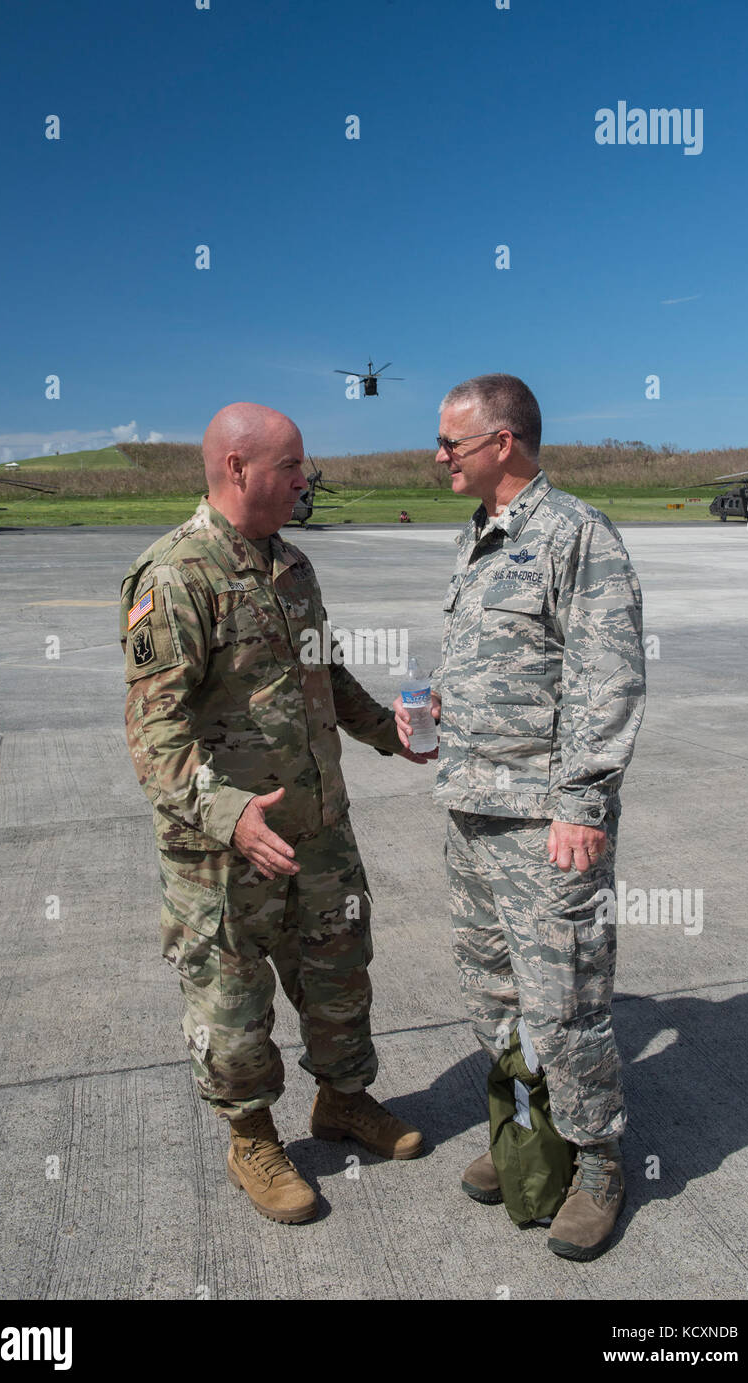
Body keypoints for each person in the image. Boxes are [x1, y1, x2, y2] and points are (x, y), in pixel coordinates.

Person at [120, 402, 426, 1226]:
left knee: (338, 971)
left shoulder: (291, 563)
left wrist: (388, 734)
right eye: (291, 466)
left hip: (318, 830)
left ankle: (344, 1101)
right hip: (229, 852)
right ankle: (251, 1136)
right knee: (233, 999)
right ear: (237, 470)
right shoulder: (175, 575)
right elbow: (155, 738)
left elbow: (324, 674)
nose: (303, 479)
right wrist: (230, 815)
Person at [394, 374, 646, 1260]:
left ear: (502, 442)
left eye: (449, 445)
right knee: (493, 994)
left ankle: (599, 1160)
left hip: (545, 822)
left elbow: (605, 678)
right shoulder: (478, 541)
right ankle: (528, 1136)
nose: (437, 459)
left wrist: (579, 803)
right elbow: (505, 669)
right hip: (470, 807)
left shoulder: (574, 535)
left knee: (565, 1000)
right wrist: (431, 724)